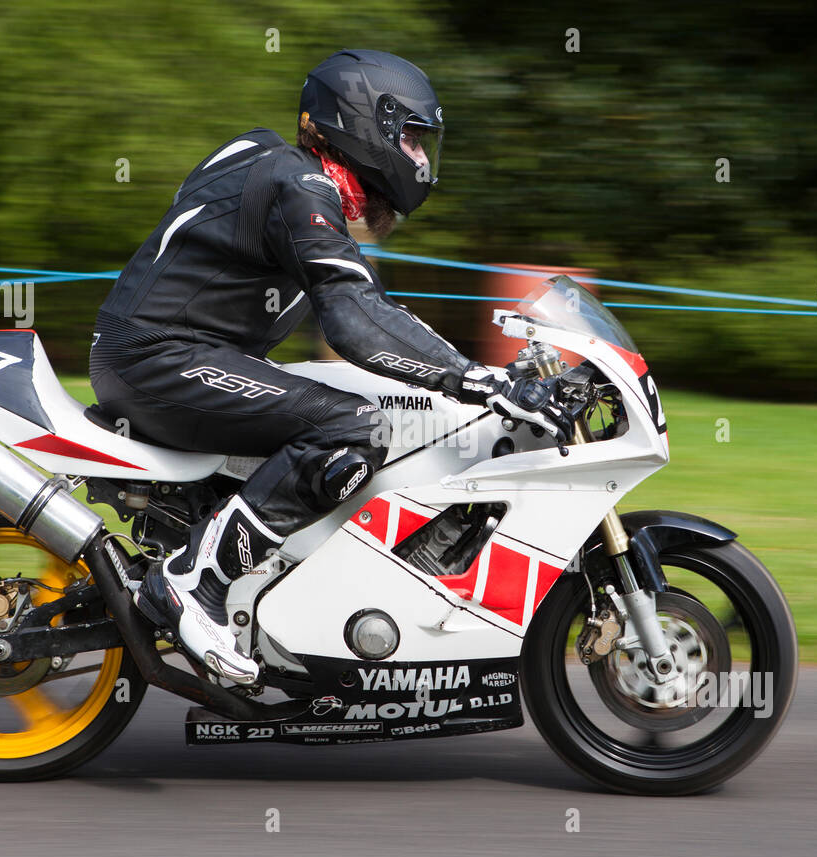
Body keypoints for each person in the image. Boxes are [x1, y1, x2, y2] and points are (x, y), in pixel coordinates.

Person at [90, 49, 572, 685]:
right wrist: (481, 380)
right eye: (412, 139)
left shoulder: (283, 173)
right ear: (365, 125)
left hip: (168, 357)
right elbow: (354, 322)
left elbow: (372, 309)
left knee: (378, 409)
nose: (421, 160)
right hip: (162, 360)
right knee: (357, 429)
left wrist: (465, 373)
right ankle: (194, 581)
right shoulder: (301, 186)